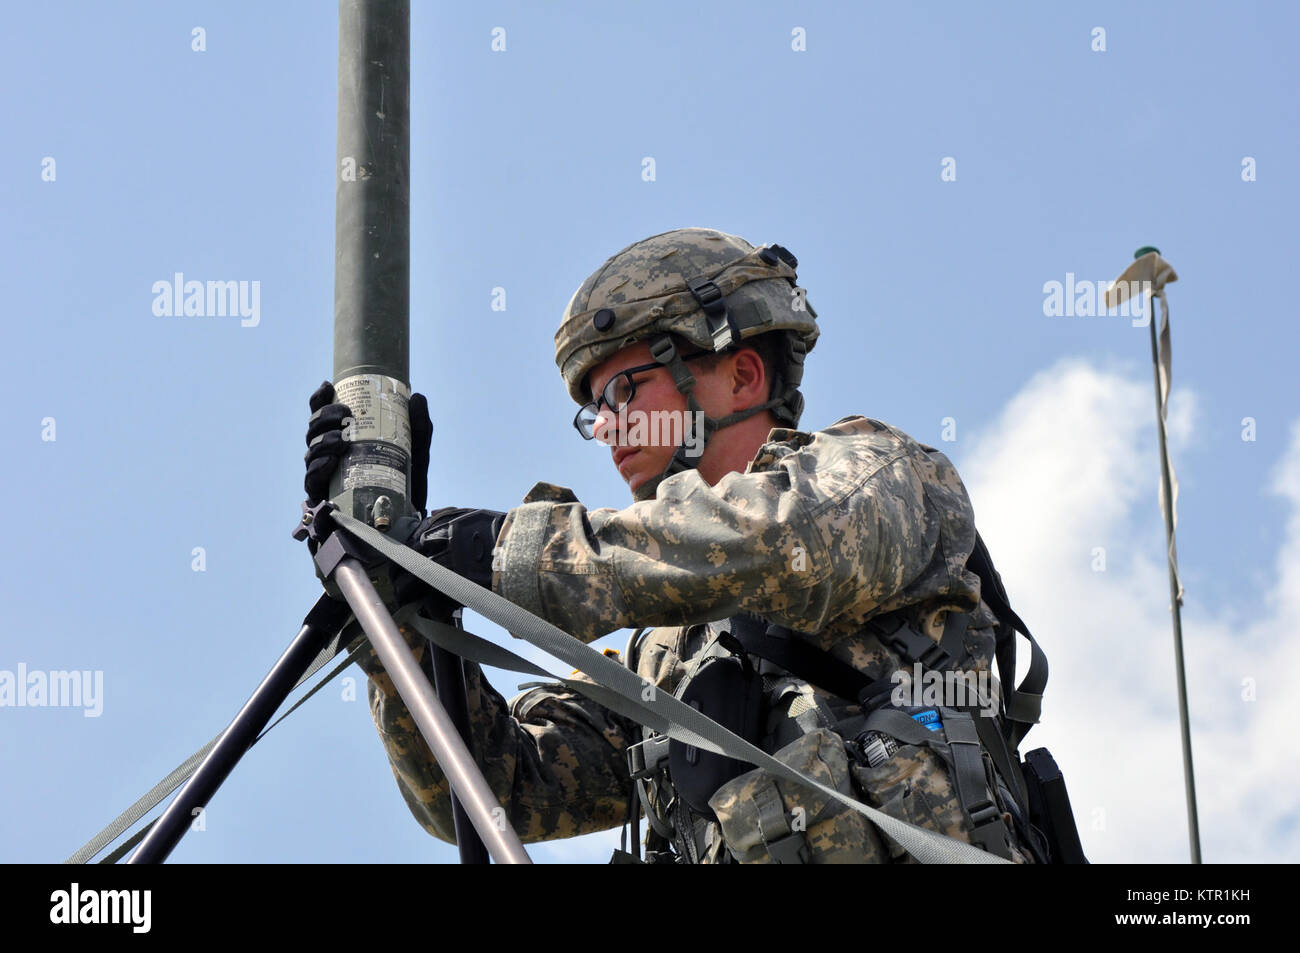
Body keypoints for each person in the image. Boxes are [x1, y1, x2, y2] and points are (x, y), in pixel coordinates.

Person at [303, 227, 1044, 863]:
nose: (606, 425)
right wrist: (396, 595)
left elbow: (776, 539)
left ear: (742, 373)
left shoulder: (881, 477)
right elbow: (495, 787)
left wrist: (505, 552)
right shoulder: (666, 664)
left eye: (626, 390)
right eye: (594, 408)